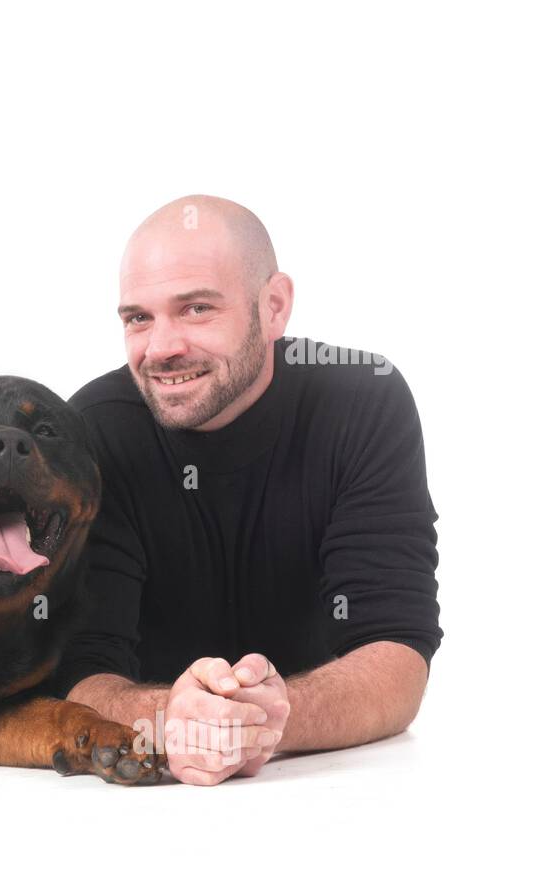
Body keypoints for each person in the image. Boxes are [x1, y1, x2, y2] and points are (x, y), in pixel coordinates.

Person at [53, 196, 442, 785]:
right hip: (146, 809)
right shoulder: (93, 432)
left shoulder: (364, 402)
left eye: (196, 308)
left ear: (274, 306)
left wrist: (272, 718)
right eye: (138, 318)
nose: (161, 348)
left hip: (332, 796)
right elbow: (81, 671)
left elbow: (398, 653)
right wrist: (168, 717)